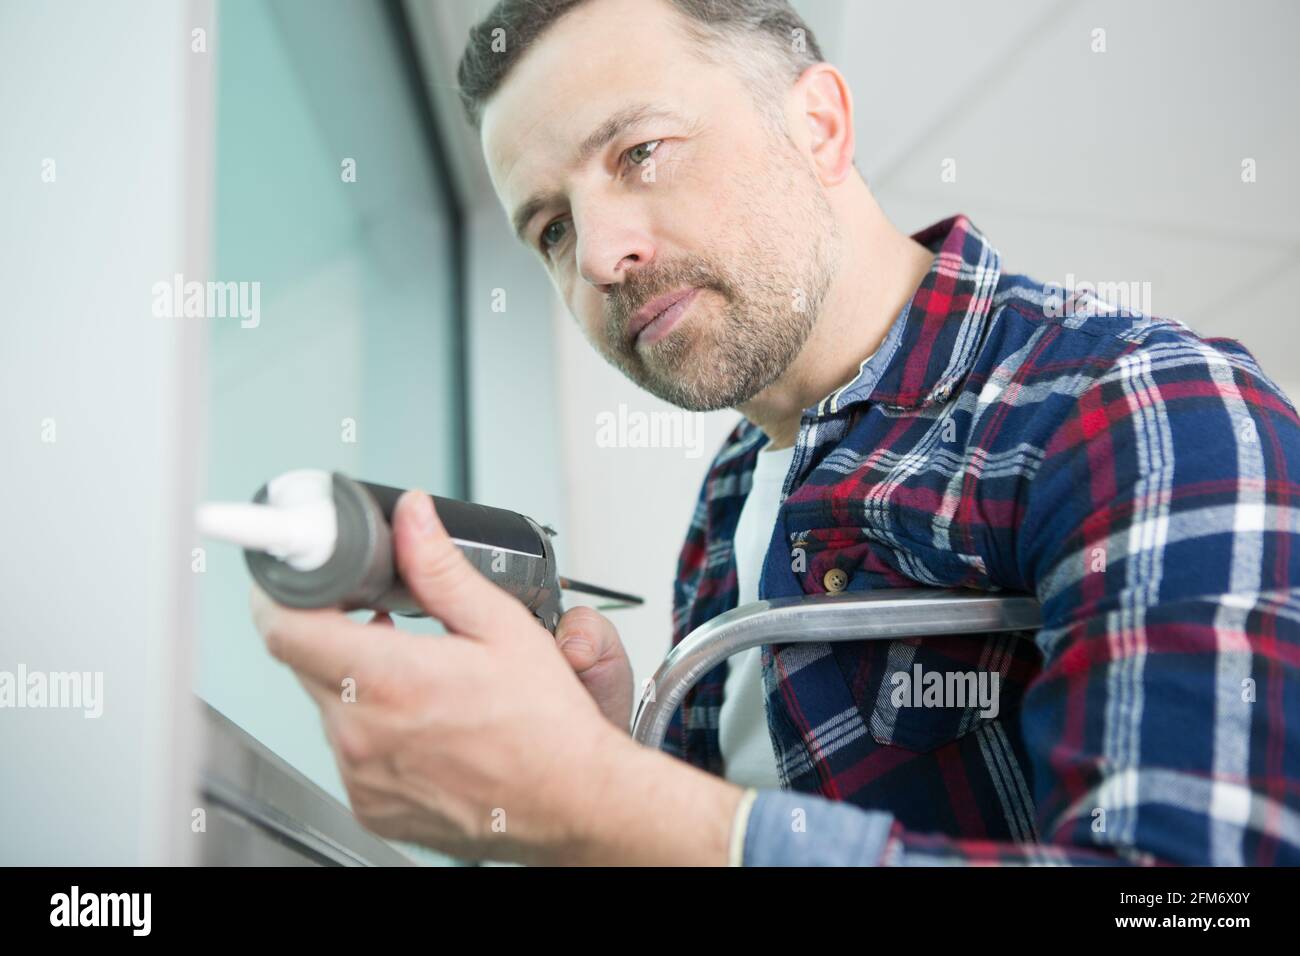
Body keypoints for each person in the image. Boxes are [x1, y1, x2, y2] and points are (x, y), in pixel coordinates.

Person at [251, 0, 1300, 865]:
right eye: (552, 228)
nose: (602, 252)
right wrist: (613, 757)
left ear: (819, 126)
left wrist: (597, 799)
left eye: (640, 150)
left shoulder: (1144, 403)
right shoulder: (727, 508)